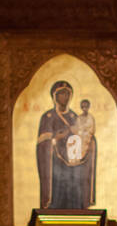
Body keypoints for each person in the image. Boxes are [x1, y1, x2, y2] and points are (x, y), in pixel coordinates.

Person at [36, 80, 95, 208]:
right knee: (58, 188)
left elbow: (82, 135)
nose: (65, 97)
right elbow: (43, 142)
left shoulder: (75, 116)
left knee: (73, 184)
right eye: (61, 94)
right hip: (55, 161)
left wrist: (87, 140)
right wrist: (58, 136)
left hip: (72, 159)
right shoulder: (48, 117)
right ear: (55, 96)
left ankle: (77, 205)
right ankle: (53, 205)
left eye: (67, 94)